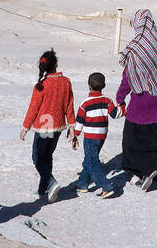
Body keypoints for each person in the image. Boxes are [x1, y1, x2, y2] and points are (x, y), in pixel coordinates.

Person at [116, 9, 157, 192]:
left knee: (132, 139)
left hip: (141, 102)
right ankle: (153, 171)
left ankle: (140, 173)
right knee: (156, 136)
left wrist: (120, 98)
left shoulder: (135, 48)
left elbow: (128, 77)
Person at [20, 50, 75, 202]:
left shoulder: (41, 85)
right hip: (58, 124)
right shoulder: (66, 81)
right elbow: (69, 105)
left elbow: (33, 108)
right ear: (56, 65)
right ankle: (42, 189)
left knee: (37, 157)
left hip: (44, 125)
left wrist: (25, 127)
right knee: (47, 156)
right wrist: (71, 127)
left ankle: (51, 183)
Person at [72, 72, 119, 197]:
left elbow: (79, 123)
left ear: (88, 86)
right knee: (89, 159)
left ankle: (106, 186)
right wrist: (123, 108)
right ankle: (82, 184)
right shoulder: (107, 100)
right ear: (104, 86)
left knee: (93, 162)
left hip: (90, 137)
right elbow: (115, 114)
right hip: (102, 136)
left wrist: (75, 135)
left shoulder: (85, 104)